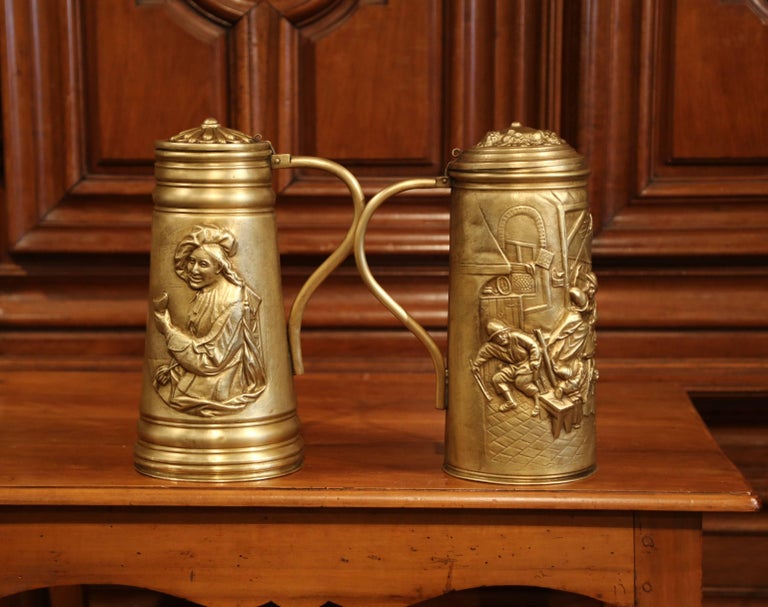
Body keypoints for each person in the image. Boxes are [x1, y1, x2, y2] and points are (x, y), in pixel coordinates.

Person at [152, 225, 266, 416]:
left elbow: (211, 360)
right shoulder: (207, 291)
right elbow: (203, 343)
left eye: (203, 264)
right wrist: (173, 369)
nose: (193, 269)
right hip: (202, 375)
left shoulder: (234, 302)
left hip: (222, 388)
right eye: (191, 261)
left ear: (220, 266)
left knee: (177, 398)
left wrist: (167, 329)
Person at [472, 320, 542, 415]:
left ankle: (538, 403)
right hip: (514, 366)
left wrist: (534, 360)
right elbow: (483, 354)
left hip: (527, 363)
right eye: (497, 337)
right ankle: (511, 401)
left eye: (502, 334)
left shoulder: (516, 337)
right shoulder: (493, 347)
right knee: (497, 379)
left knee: (520, 382)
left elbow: (533, 346)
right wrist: (476, 364)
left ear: (506, 332)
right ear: (493, 339)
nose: (501, 338)